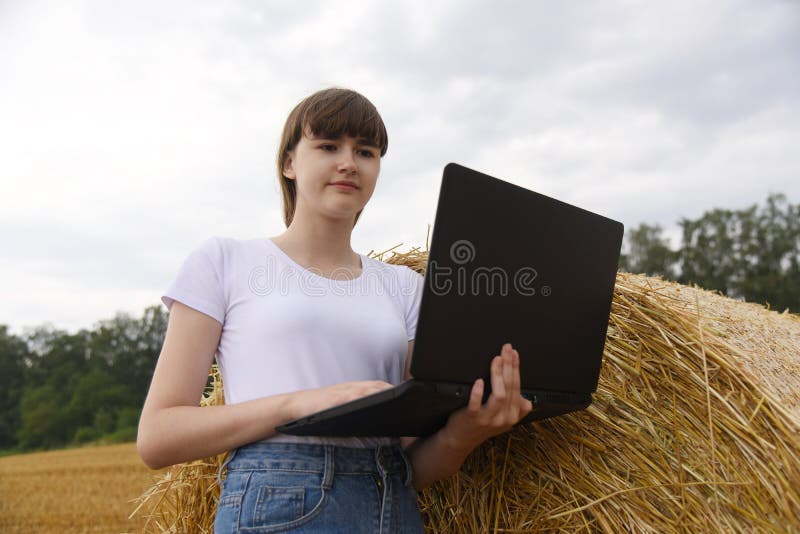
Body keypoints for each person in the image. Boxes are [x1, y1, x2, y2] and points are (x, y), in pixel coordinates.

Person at [137, 87, 533, 533]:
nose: (348, 162)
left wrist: (465, 433)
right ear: (289, 163)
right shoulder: (224, 262)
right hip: (279, 502)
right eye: (328, 146)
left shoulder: (405, 287)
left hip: (392, 501)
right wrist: (300, 405)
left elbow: (415, 466)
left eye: (365, 152)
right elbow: (158, 437)